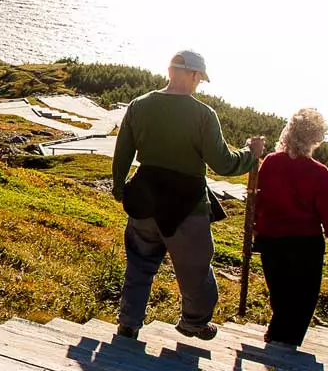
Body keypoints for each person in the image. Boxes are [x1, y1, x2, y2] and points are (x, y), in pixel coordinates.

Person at [111, 50, 265, 341]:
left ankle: (129, 323)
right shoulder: (204, 115)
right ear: (194, 75)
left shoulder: (140, 105)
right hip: (187, 205)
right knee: (195, 269)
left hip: (145, 197)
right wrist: (250, 154)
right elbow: (223, 164)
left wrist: (119, 188)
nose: (199, 84)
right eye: (200, 79)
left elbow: (123, 153)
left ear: (170, 71)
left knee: (140, 263)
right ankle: (193, 323)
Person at [253, 107, 328, 348]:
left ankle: (275, 336)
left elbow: (258, 198)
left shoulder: (271, 163)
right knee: (303, 297)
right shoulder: (318, 173)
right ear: (314, 138)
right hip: (305, 243)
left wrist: (255, 226)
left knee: (280, 292)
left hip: (271, 240)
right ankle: (286, 345)